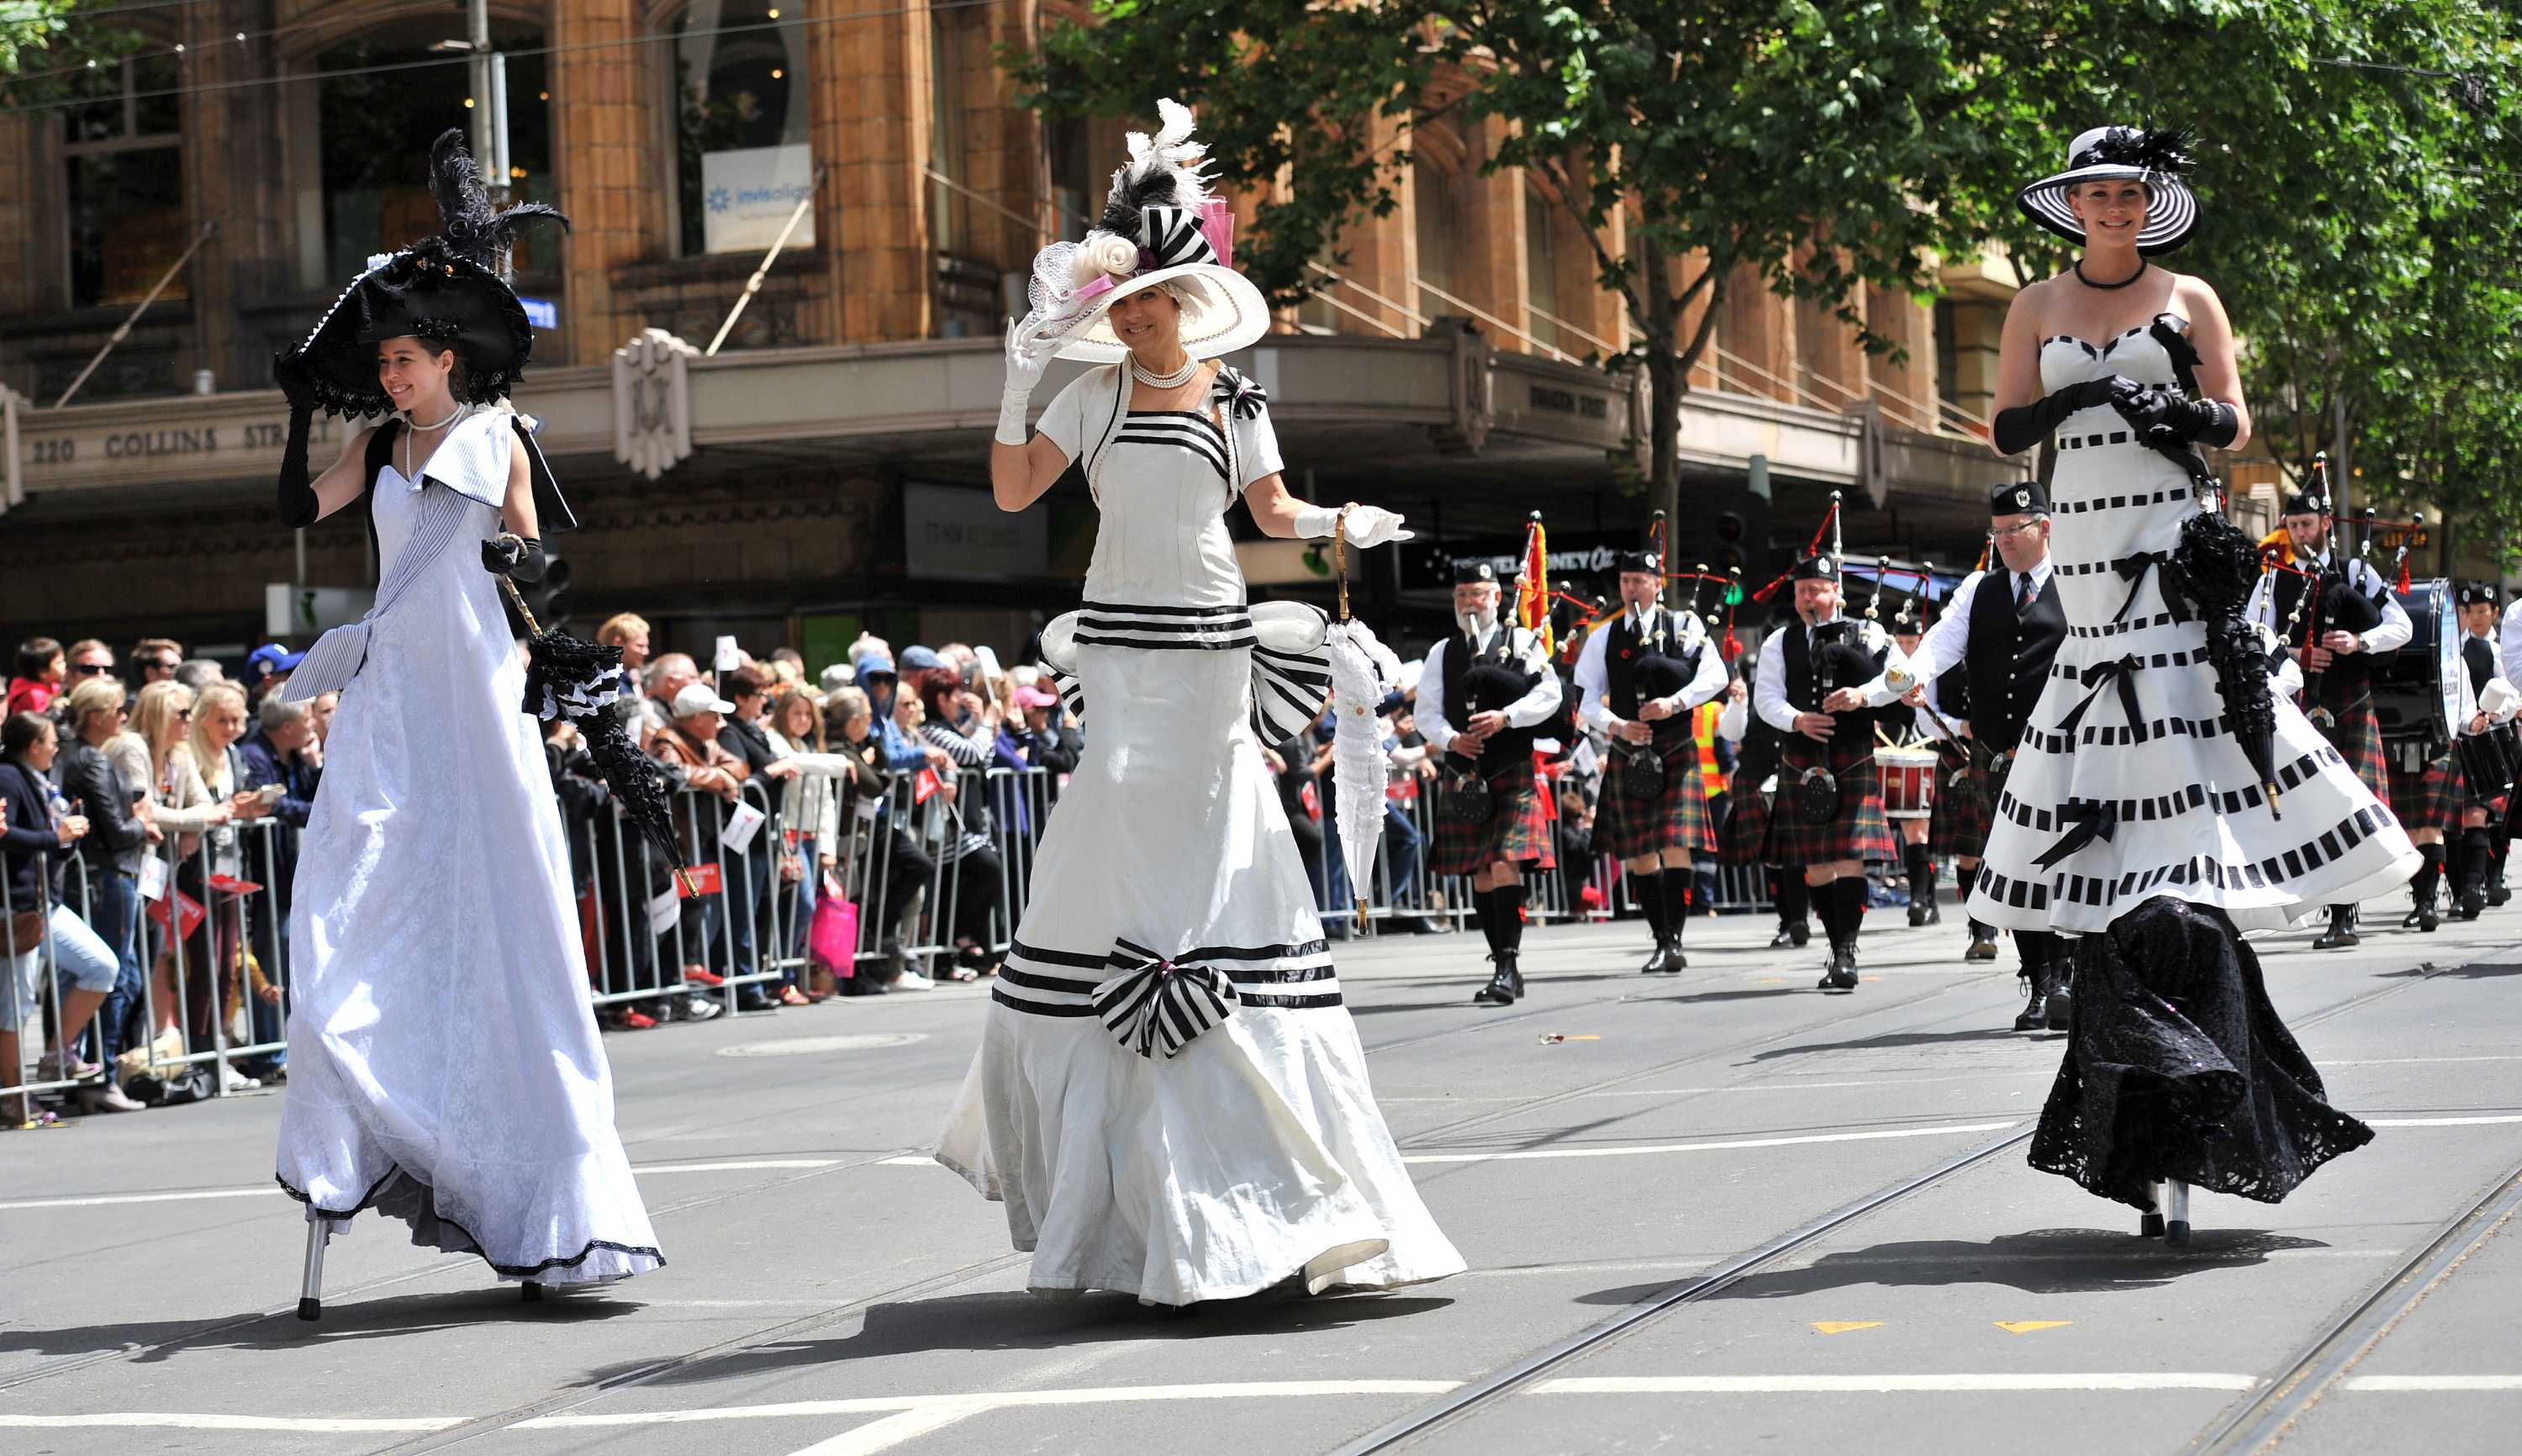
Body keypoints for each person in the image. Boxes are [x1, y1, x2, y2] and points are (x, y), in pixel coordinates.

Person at [943, 102, 1463, 1306]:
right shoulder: (1096, 394)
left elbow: (1276, 519)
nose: (1133, 318)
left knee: (1221, 835)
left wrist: (1347, 524)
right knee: (1124, 828)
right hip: (1122, 649)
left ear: (1189, 303)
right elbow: (1018, 494)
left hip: (1213, 644)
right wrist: (1018, 386)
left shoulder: (1237, 401)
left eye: (1152, 301)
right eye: (1119, 304)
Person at [1980, 124, 2393, 1237]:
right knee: (2116, 862)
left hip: (2173, 542)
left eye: (2127, 191)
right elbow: (2003, 428)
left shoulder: (2189, 296)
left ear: (2148, 199)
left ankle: (2212, 1086)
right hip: (2086, 554)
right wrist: (2062, 411)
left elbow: (2236, 419)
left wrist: (2188, 415)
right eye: (2094, 192)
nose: (2110, 207)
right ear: (2072, 204)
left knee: (2181, 859)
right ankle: (2146, 1100)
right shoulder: (2032, 304)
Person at [266, 129, 661, 1288]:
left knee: (505, 908)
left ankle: (545, 1193)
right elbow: (304, 506)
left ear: (446, 357)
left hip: (479, 690)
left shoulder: (499, 435)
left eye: (403, 362)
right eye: (379, 364)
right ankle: (370, 1118)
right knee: (355, 892)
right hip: (394, 694)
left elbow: (542, 567)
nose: (389, 377)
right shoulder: (378, 442)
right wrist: (304, 413)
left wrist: (527, 583)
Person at [1860, 483, 2067, 1030]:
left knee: (2063, 865)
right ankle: (2042, 981)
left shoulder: (2077, 583)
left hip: (2063, 752)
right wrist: (1891, 682)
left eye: (2012, 531)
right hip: (1997, 754)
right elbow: (1937, 647)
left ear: (2044, 527)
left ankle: (2070, 975)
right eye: (1996, 531)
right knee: (2014, 868)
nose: (2002, 541)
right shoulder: (1980, 589)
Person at [2246, 491, 2412, 948]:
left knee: (2349, 803)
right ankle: (2331, 902)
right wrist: (2295, 654)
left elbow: (2401, 626)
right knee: (2317, 807)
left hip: (2351, 700)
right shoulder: (2272, 577)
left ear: (2324, 523)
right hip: (2301, 705)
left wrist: (2359, 642)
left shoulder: (2355, 572)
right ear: (2286, 525)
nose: (2302, 533)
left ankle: (2345, 912)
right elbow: (2254, 634)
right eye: (2294, 525)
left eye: (2309, 524)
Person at [1754, 552, 1907, 989]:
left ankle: (1845, 953)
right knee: (1817, 865)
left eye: (1817, 590)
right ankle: (1836, 945)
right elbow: (1766, 699)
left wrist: (1863, 695)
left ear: (1835, 592)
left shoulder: (1870, 632)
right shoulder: (1778, 642)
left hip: (1852, 754)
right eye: (1802, 591)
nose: (1808, 598)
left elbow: (1900, 678)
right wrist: (1797, 719)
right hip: (1802, 759)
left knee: (1848, 858)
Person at [1575, 550, 1728, 974]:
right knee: (1641, 853)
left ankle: (1675, 939)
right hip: (1629, 750)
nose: (1630, 588)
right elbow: (1585, 698)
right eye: (1625, 581)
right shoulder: (1604, 637)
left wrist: (1675, 702)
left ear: (1658, 583)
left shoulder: (1686, 626)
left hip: (1676, 748)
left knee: (1677, 845)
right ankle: (1662, 938)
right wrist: (1617, 726)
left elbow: (1716, 676)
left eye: (1639, 580)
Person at [1420, 560, 1564, 1005]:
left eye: (1478, 594)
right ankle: (1505, 965)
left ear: (1497, 598)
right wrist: (1452, 740)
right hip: (1465, 774)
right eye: (1462, 596)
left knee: (1503, 863)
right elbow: (1427, 712)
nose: (1469, 603)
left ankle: (1506, 965)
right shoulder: (1442, 652)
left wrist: (1507, 717)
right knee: (1481, 873)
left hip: (1511, 769)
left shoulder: (1522, 642)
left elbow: (1551, 694)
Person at [2, 712, 121, 1126]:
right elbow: (5, 835)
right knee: (15, 1008)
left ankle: (57, 1055)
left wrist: (66, 833)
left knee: (101, 966)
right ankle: (16, 1099)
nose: (57, 748)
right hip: (17, 910)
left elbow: (48, 842)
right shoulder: (9, 777)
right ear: (33, 745)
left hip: (44, 904)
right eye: (52, 741)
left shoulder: (36, 778)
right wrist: (57, 836)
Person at [54, 678, 152, 1111]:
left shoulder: (82, 756)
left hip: (99, 876)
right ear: (96, 716)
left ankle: (94, 1071)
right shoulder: (90, 760)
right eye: (117, 710)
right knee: (117, 976)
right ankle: (102, 1076)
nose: (124, 717)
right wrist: (143, 825)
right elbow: (114, 831)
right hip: (107, 877)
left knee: (113, 975)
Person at [236, 694, 323, 1075]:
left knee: (290, 956)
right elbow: (275, 808)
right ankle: (268, 1052)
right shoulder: (255, 757)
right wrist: (309, 811)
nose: (312, 724)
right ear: (287, 726)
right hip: (263, 875)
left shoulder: (294, 755)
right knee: (269, 961)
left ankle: (286, 1045)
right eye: (307, 717)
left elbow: (318, 797)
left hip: (289, 874)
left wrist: (314, 765)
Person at [8, 639, 64, 720]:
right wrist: (57, 709)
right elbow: (40, 725)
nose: (65, 665)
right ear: (43, 672)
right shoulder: (34, 695)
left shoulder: (51, 684)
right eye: (59, 662)